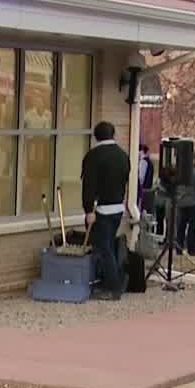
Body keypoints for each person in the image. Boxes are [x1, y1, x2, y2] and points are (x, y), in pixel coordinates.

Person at [80, 121, 130, 301]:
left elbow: (89, 185)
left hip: (100, 208)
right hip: (118, 207)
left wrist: (88, 209)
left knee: (104, 248)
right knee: (108, 246)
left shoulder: (94, 156)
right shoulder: (123, 156)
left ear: (96, 136)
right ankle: (110, 281)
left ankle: (113, 287)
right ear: (113, 134)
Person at [173, 153, 195, 258]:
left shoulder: (180, 172)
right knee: (192, 227)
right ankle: (191, 249)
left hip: (181, 202)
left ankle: (179, 247)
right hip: (193, 202)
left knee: (181, 227)